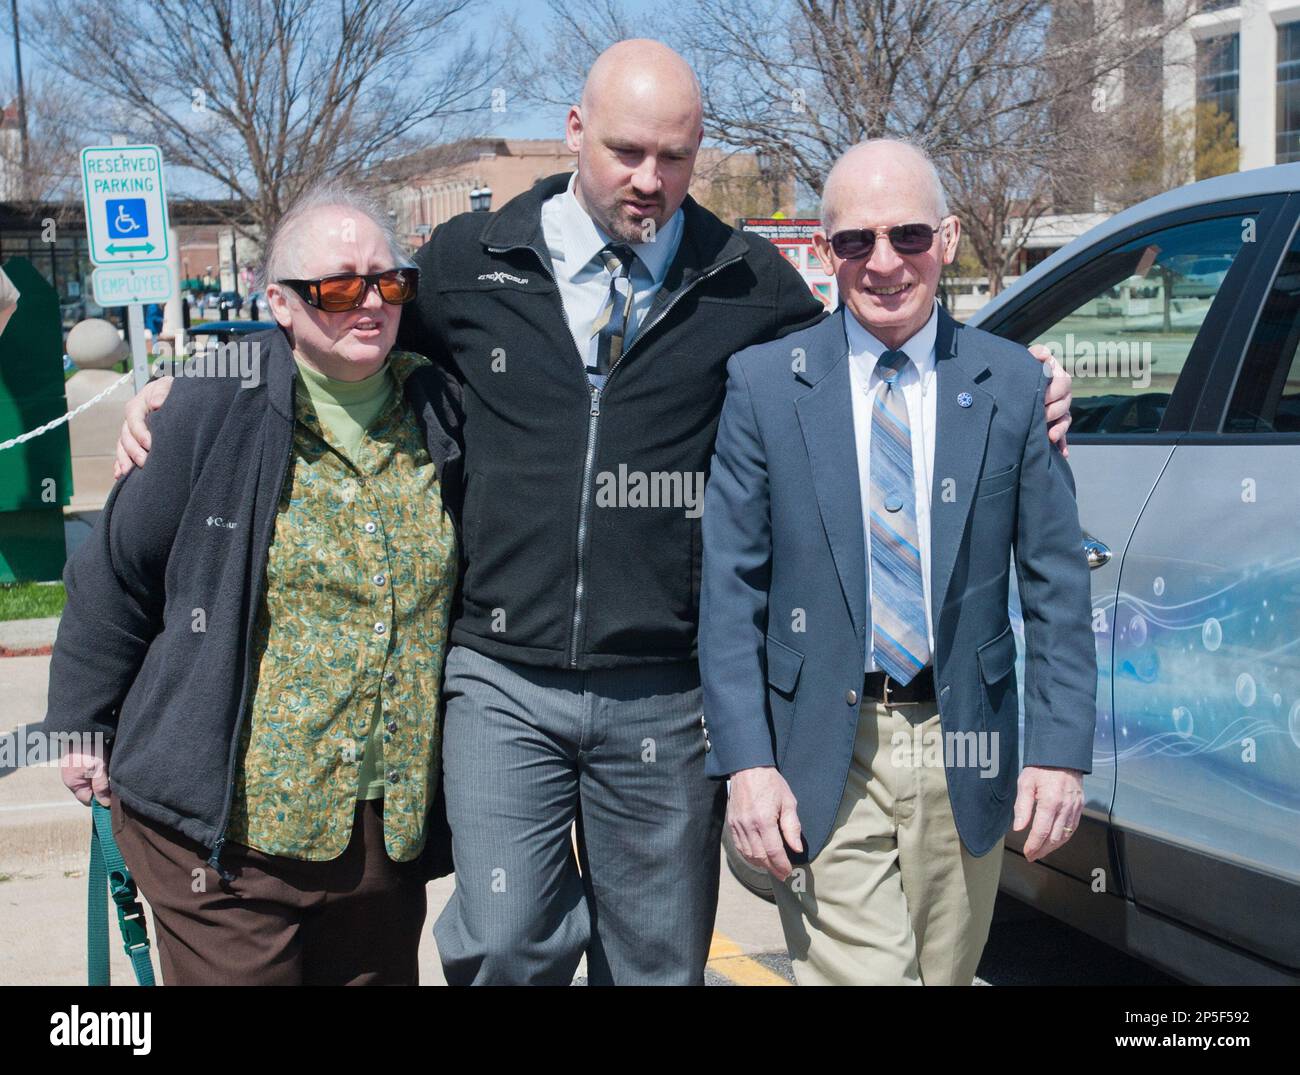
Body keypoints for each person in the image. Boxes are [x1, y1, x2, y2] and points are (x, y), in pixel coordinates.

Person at [112, 40, 1074, 986]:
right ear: (575, 132)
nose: (651, 179)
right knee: (503, 938)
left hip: (662, 683)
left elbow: (874, 332)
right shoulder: (467, 259)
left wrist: (1018, 377)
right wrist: (202, 386)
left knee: (657, 959)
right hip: (500, 671)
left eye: (675, 156)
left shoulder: (743, 279)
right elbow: (353, 324)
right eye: (627, 151)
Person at [700, 139, 1097, 985]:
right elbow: (731, 592)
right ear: (824, 251)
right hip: (826, 752)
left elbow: (1057, 584)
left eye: (908, 236)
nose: (884, 264)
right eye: (856, 242)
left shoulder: (1013, 385)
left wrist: (1060, 751)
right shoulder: (766, 386)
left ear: (948, 240)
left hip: (969, 747)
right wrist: (747, 763)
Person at [47, 182, 464, 985]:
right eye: (339, 286)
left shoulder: (438, 407)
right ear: (277, 302)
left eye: (389, 281)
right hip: (223, 840)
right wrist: (80, 722)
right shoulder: (211, 405)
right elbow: (115, 572)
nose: (370, 302)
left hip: (378, 836)